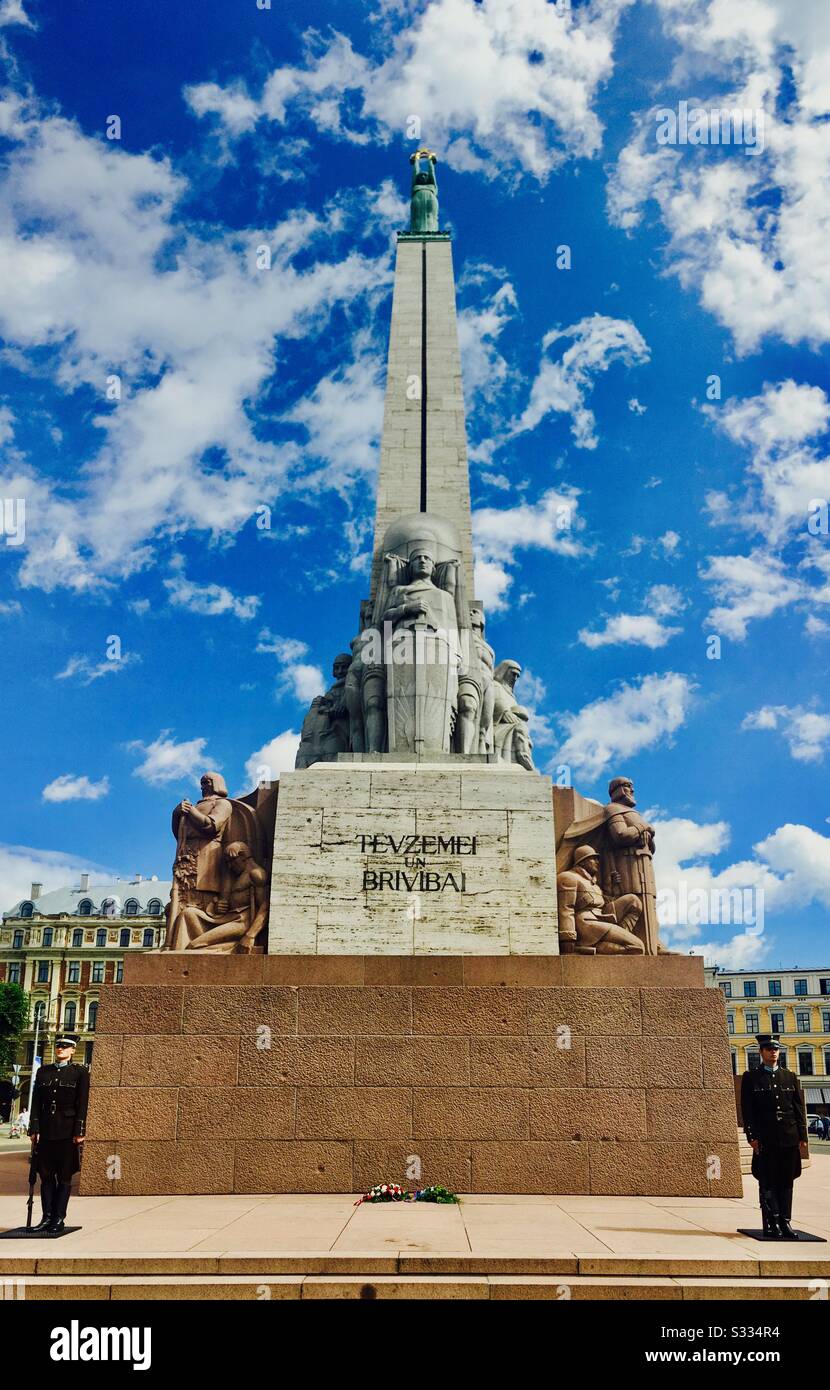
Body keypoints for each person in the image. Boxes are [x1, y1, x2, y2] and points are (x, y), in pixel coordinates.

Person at [741, 1033, 808, 1239]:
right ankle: (772, 1221)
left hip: (788, 1137)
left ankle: (785, 1222)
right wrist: (752, 1136)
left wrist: (802, 1135)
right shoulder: (751, 1077)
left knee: (787, 1181)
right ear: (761, 1052)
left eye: (776, 1049)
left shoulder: (790, 1077)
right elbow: (748, 1110)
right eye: (769, 1049)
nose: (773, 1052)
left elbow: (798, 1108)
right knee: (768, 1180)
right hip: (766, 1138)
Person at [28, 1035, 89, 1233]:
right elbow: (36, 1102)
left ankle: (58, 1218)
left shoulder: (79, 1073)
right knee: (45, 1176)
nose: (60, 1049)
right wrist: (34, 1128)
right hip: (46, 1130)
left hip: (67, 1130)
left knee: (64, 1177)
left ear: (72, 1051)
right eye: (59, 1046)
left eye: (65, 1047)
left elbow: (82, 1103)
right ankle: (46, 1217)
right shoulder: (44, 1072)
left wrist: (80, 1130)